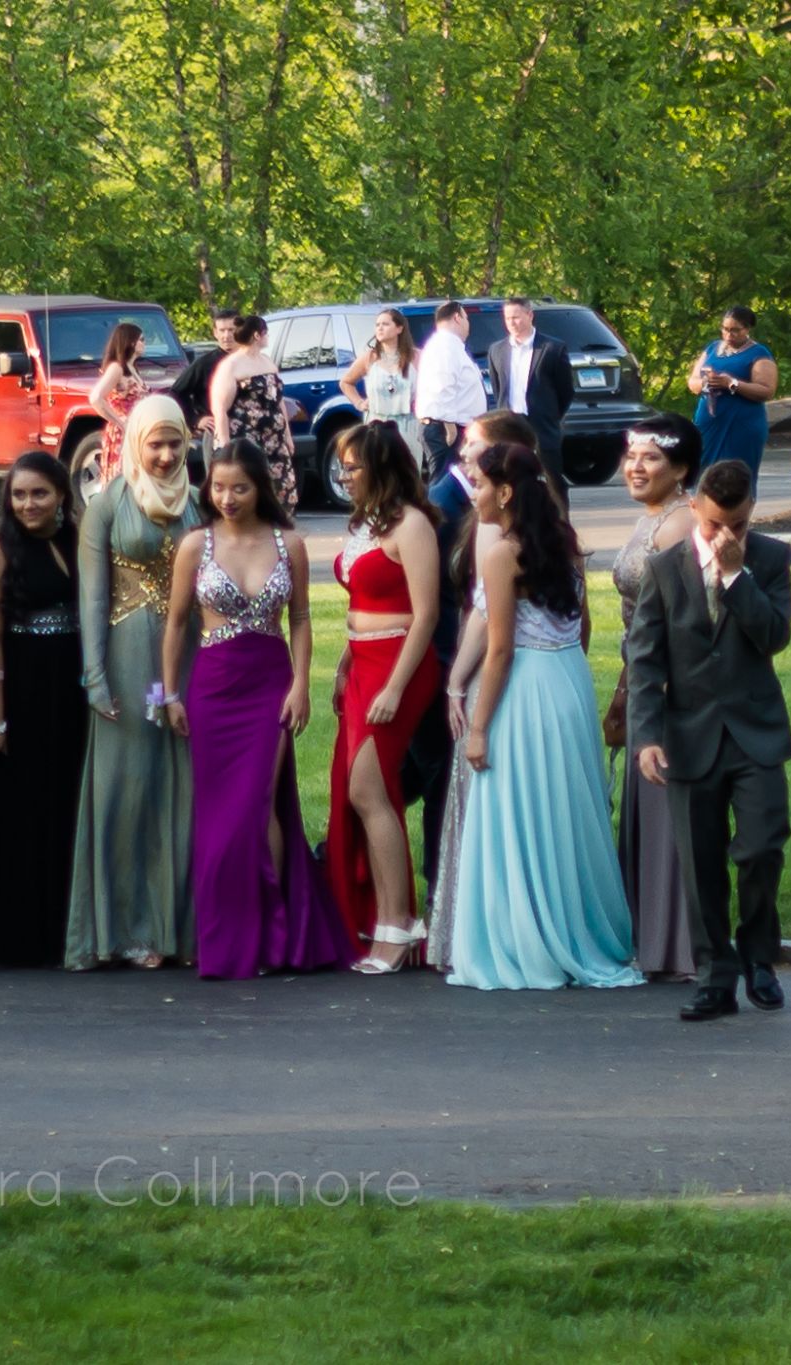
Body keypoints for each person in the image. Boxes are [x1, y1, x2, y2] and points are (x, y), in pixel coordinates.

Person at [448, 444, 641, 992]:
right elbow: (579, 626)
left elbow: (501, 650)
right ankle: (572, 928)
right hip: (570, 681)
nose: (475, 494)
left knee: (521, 809)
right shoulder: (565, 540)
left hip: (526, 687)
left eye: (480, 485)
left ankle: (526, 941)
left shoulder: (502, 552)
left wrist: (479, 726)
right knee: (564, 811)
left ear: (505, 492)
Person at [162, 440, 353, 980]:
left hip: (270, 683)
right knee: (222, 815)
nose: (227, 497)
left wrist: (301, 686)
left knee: (261, 802)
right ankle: (229, 932)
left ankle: (272, 930)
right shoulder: (194, 545)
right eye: (218, 487)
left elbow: (300, 620)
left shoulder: (287, 542)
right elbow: (177, 623)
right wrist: (169, 693)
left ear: (260, 488)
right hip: (214, 687)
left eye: (239, 487)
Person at [628, 460, 791, 1022]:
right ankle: (714, 976)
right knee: (699, 865)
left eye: (741, 525)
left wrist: (736, 575)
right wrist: (646, 735)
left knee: (762, 847)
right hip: (688, 735)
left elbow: (773, 636)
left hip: (755, 734)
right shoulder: (664, 567)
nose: (728, 536)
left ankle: (758, 957)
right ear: (695, 505)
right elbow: (645, 659)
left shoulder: (769, 558)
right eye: (718, 523)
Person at [67, 396, 201, 969]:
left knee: (186, 786)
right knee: (128, 788)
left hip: (192, 652)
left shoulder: (198, 502)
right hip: (126, 656)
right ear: (137, 443)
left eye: (175, 444)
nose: (167, 455)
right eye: (156, 444)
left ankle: (180, 927)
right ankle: (127, 928)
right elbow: (92, 598)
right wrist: (95, 678)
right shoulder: (106, 506)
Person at [0, 453, 88, 967]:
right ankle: (8, 941)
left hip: (69, 691)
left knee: (63, 805)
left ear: (61, 494)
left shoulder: (75, 541)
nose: (28, 504)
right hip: (20, 690)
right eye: (18, 495)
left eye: (39, 493)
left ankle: (61, 932)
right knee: (18, 810)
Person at [328, 422, 441, 972]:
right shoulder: (363, 524)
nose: (344, 475)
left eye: (352, 466)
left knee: (368, 788)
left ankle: (400, 923)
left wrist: (395, 686)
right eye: (342, 467)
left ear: (379, 467)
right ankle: (384, 917)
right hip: (362, 662)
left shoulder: (412, 524)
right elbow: (361, 599)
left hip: (399, 666)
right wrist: (346, 661)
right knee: (363, 793)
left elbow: (426, 614)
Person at [422, 418, 523, 973]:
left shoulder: (496, 532)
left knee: (486, 796)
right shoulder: (538, 520)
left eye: (477, 445)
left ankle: (483, 923)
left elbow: (488, 617)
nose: (466, 454)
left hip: (493, 670)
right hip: (533, 674)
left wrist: (457, 681)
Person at [609, 415, 702, 982]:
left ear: (682, 468)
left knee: (670, 809)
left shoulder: (681, 524)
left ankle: (679, 945)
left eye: (650, 459)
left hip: (670, 686)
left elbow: (682, 622)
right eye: (631, 457)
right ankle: (652, 939)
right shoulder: (654, 519)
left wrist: (648, 688)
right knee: (648, 806)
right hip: (640, 678)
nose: (635, 468)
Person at [485, 296, 576, 499]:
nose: (512, 323)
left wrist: (550, 414)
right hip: (509, 426)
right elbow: (498, 388)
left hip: (541, 426)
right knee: (509, 481)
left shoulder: (552, 348)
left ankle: (559, 526)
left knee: (552, 483)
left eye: (516, 317)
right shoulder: (496, 350)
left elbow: (566, 391)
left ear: (530, 315)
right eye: (507, 318)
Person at [210, 314, 296, 513]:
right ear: (258, 335)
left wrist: (288, 436)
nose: (267, 337)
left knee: (282, 491)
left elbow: (279, 401)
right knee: (251, 490)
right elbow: (220, 408)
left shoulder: (267, 361)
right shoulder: (231, 365)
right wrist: (225, 447)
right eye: (266, 333)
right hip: (246, 439)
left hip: (274, 441)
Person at [688, 305, 777, 481]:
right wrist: (706, 382)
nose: (729, 335)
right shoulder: (712, 349)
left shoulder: (758, 353)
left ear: (747, 329)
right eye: (725, 329)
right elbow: (693, 381)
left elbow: (767, 390)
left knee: (735, 477)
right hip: (709, 423)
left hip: (742, 424)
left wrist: (732, 384)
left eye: (735, 330)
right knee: (704, 476)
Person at [339, 308, 423, 467]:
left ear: (399, 328)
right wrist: (359, 402)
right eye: (377, 324)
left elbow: (432, 385)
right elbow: (346, 382)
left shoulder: (416, 356)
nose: (380, 328)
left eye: (385, 324)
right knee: (378, 476)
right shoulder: (370, 357)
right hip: (377, 426)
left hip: (407, 425)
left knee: (407, 475)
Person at [414, 300, 487, 480]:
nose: (468, 325)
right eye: (466, 318)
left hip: (454, 427)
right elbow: (443, 386)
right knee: (444, 486)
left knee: (455, 486)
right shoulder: (444, 346)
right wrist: (450, 428)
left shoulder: (450, 345)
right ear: (457, 317)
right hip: (445, 430)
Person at [167, 308, 240, 456]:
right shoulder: (205, 364)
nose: (227, 336)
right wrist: (195, 420)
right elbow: (176, 392)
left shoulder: (251, 360)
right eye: (222, 330)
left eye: (231, 330)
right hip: (217, 434)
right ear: (215, 332)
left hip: (250, 432)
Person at [87, 322, 150, 486]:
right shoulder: (116, 368)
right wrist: (121, 422)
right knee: (122, 480)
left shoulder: (133, 368)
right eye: (141, 339)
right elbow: (96, 398)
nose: (145, 343)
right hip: (122, 432)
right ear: (130, 342)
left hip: (138, 431)